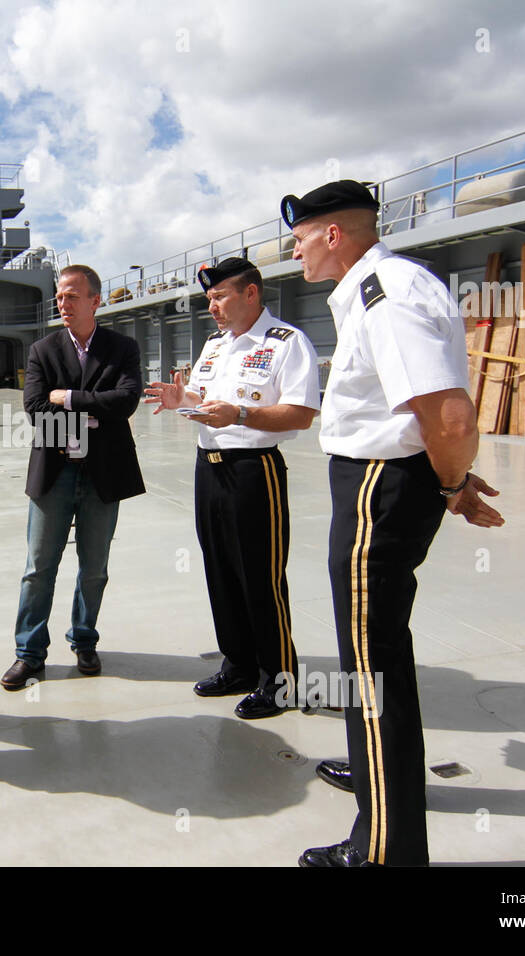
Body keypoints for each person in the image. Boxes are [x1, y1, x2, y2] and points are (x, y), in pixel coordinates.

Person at [281, 181, 505, 866]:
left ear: (334, 235)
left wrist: (451, 484)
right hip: (380, 481)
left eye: (301, 235)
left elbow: (451, 417)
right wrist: (454, 484)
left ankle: (384, 848)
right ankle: (375, 766)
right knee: (368, 654)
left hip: (381, 485)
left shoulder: (385, 292)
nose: (294, 248)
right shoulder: (377, 288)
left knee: (372, 663)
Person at [144, 257, 320, 719]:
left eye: (220, 297)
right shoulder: (216, 345)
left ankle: (279, 681)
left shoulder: (286, 343)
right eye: (209, 299)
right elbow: (205, 401)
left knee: (260, 577)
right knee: (220, 571)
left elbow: (301, 414)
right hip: (210, 467)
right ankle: (238, 664)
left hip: (253, 471)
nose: (213, 307)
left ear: (251, 293)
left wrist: (240, 414)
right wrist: (181, 400)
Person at [0, 265, 145, 690]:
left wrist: (71, 398)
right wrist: (94, 414)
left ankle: (84, 639)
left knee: (94, 568)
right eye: (60, 297)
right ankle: (29, 654)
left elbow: (127, 402)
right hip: (55, 474)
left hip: (103, 474)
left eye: (73, 296)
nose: (64, 303)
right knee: (39, 567)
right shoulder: (42, 350)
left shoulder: (122, 348)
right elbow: (36, 411)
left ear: (95, 301)